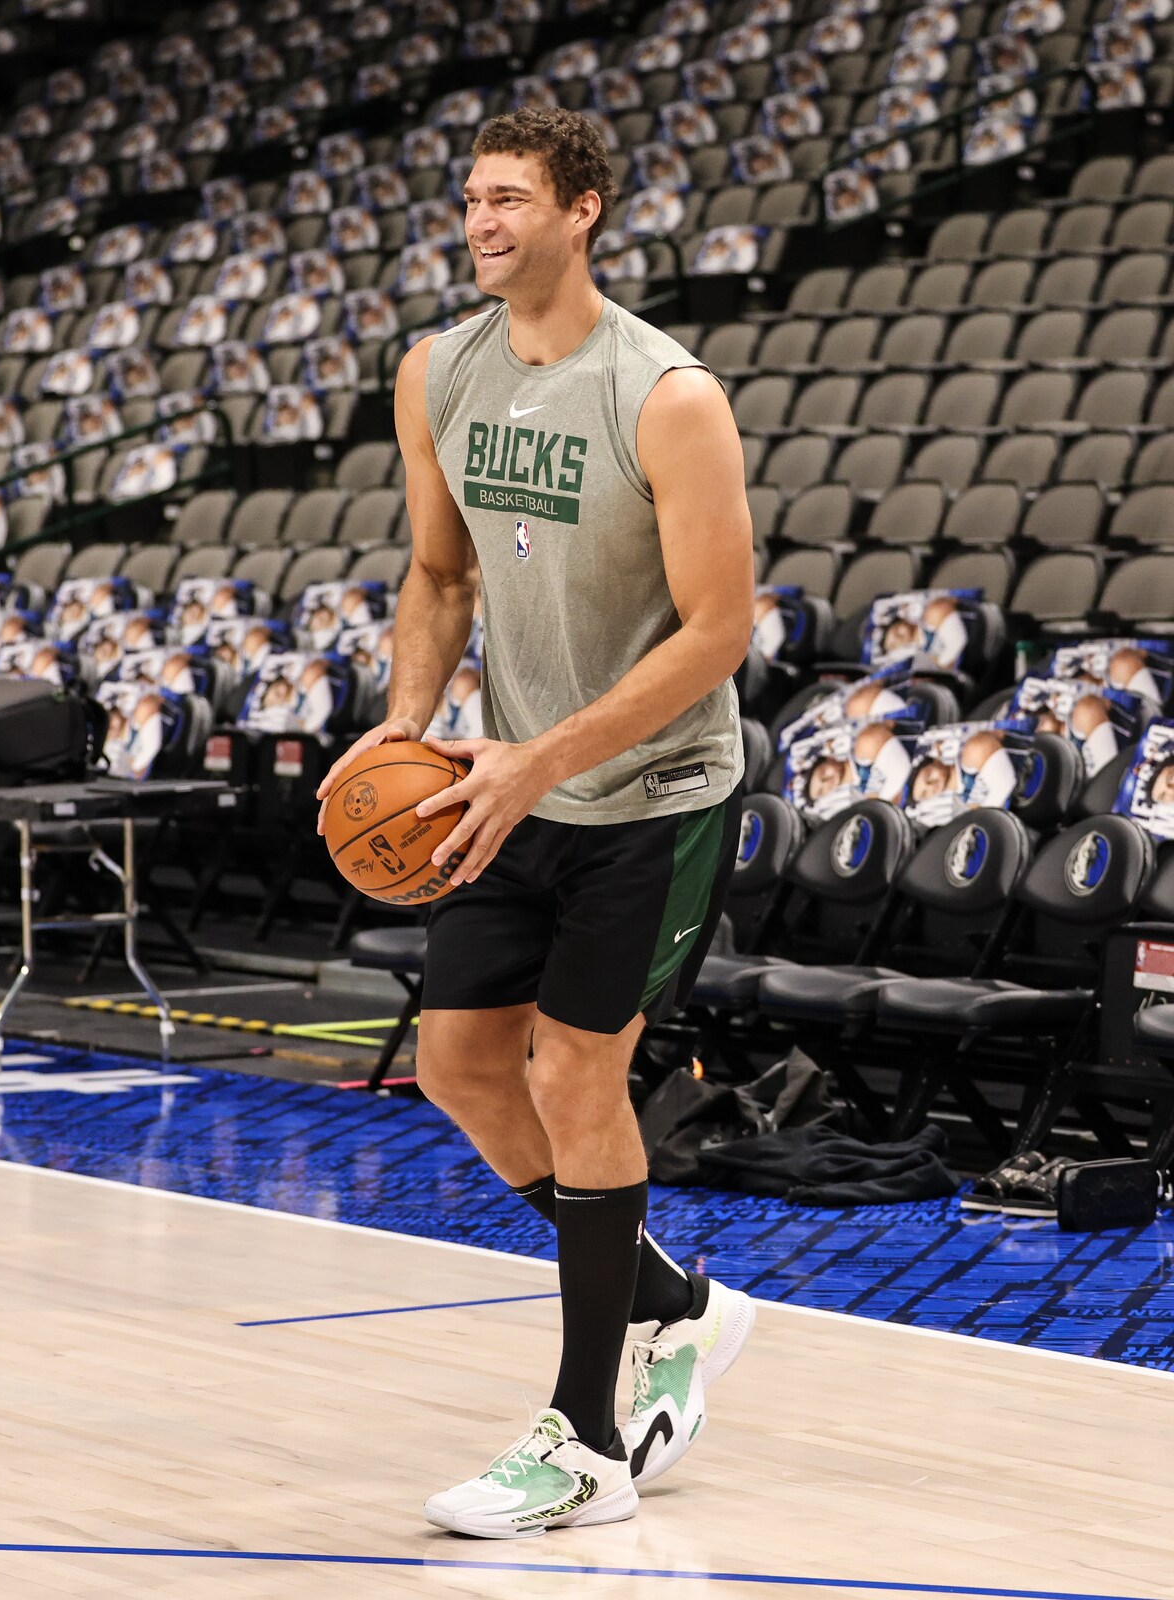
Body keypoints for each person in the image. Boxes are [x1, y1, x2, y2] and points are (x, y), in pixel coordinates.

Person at [316, 107, 755, 1539]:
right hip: (511, 781)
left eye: (509, 199)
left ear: (585, 211)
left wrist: (539, 757)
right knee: (457, 1064)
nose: (480, 222)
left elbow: (718, 632)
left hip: (653, 792)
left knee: (577, 1075)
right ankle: (679, 1305)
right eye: (469, 200)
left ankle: (589, 1441)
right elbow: (437, 577)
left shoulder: (666, 394)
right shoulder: (440, 369)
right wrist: (405, 718)